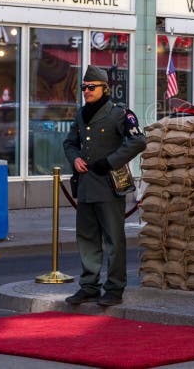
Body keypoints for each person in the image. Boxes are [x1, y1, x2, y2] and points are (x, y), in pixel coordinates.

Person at [63, 65, 146, 307]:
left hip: (109, 185)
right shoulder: (81, 114)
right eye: (84, 87)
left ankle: (114, 287)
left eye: (91, 87)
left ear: (104, 88)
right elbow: (69, 143)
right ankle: (89, 286)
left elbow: (139, 141)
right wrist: (75, 158)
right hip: (86, 185)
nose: (86, 91)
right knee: (87, 238)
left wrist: (110, 162)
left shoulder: (119, 114)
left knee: (113, 239)